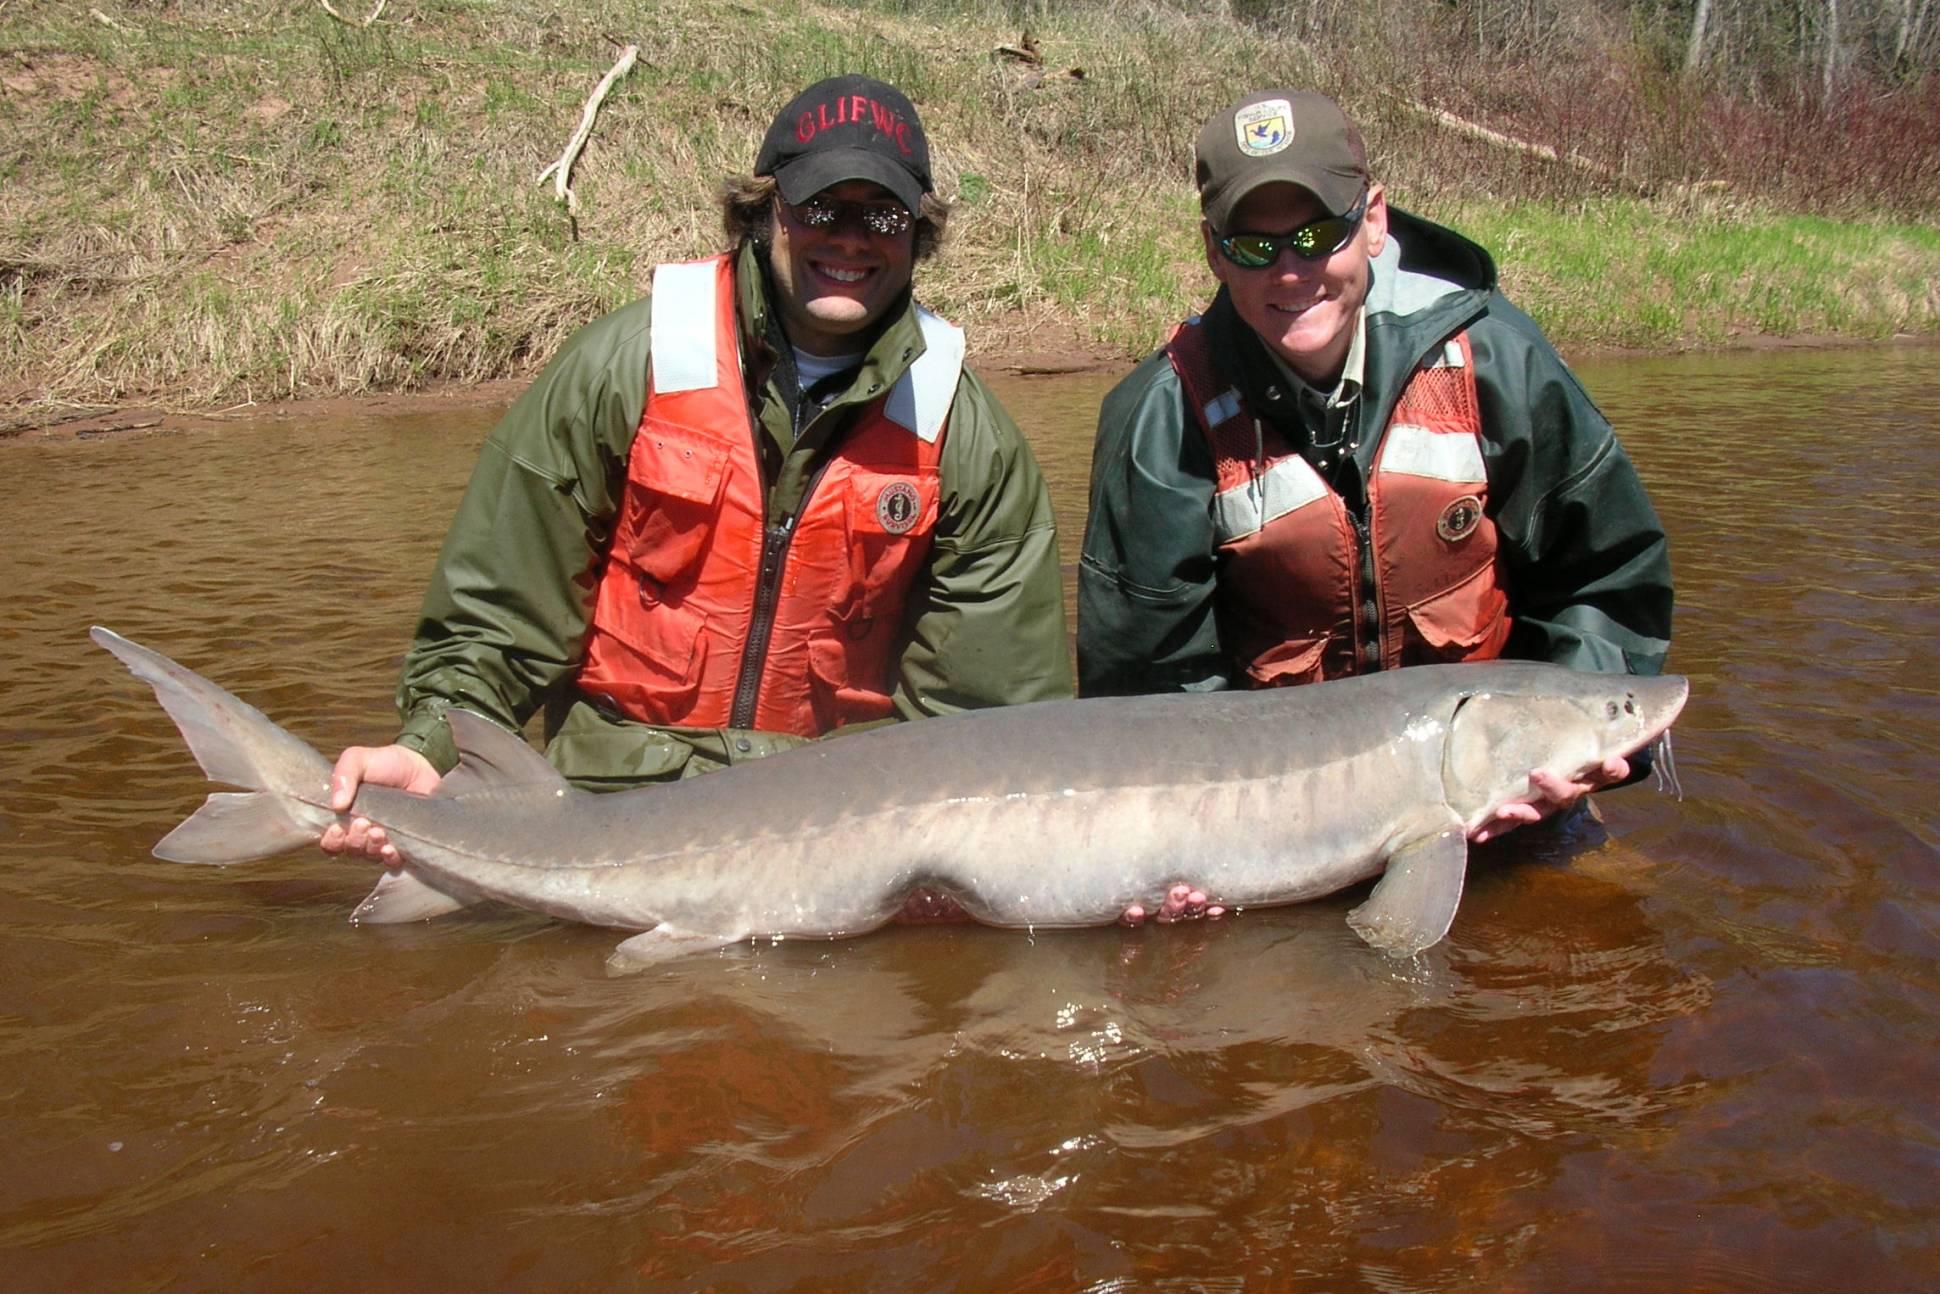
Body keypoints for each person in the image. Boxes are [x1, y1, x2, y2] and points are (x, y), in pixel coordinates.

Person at [322, 74, 1071, 866]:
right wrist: (434, 750)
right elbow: (497, 623)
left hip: (821, 842)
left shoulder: (967, 437)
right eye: (820, 207)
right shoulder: (620, 371)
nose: (850, 238)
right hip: (602, 816)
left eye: (881, 215)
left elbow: (989, 722)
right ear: (762, 212)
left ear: (917, 235)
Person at [1079, 89, 1673, 843]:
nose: (1290, 271)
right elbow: (1147, 686)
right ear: (1211, 249)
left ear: (1374, 220)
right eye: (1252, 247)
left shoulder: (1496, 360)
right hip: (1269, 820)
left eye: (1318, 233)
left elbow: (1607, 581)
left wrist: (1574, 752)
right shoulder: (1160, 419)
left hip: (1506, 785)